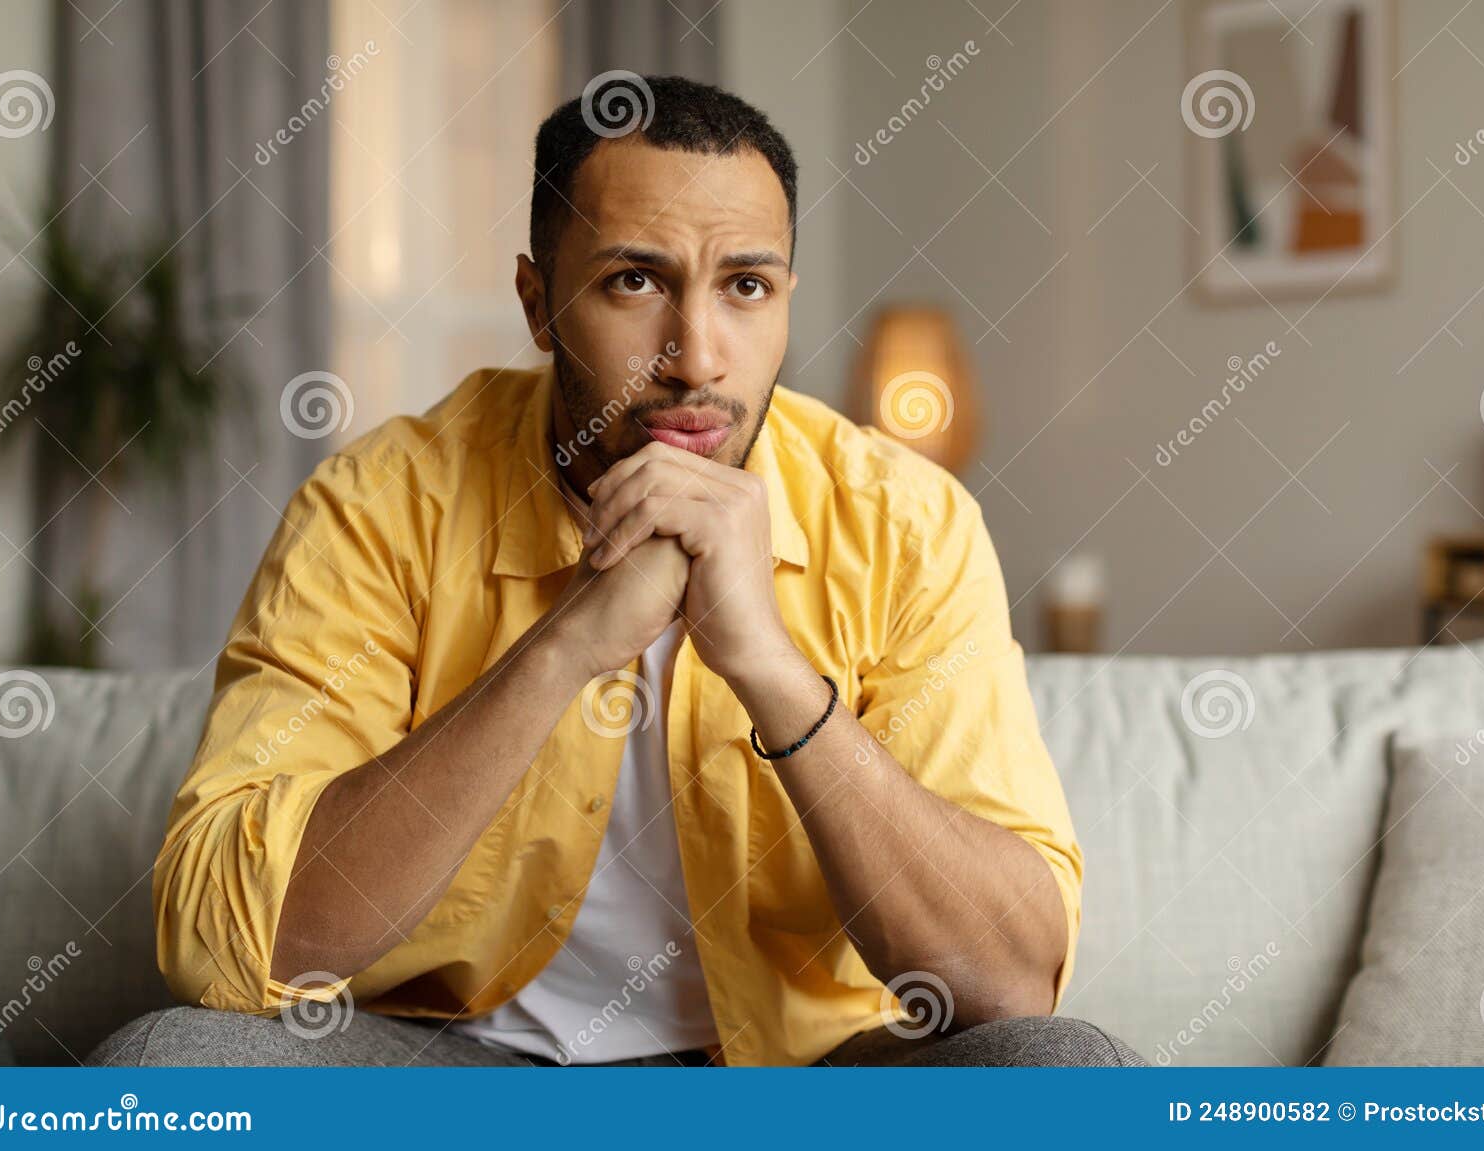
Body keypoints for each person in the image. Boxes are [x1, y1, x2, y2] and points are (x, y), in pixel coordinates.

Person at [91, 75, 1141, 1068]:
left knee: (1064, 1070)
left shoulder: (906, 521)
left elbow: (1009, 980)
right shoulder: (379, 504)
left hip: (797, 1079)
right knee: (166, 1069)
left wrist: (772, 670)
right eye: (634, 281)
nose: (695, 355)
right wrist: (566, 646)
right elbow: (231, 941)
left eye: (744, 287)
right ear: (537, 302)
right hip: (458, 1069)